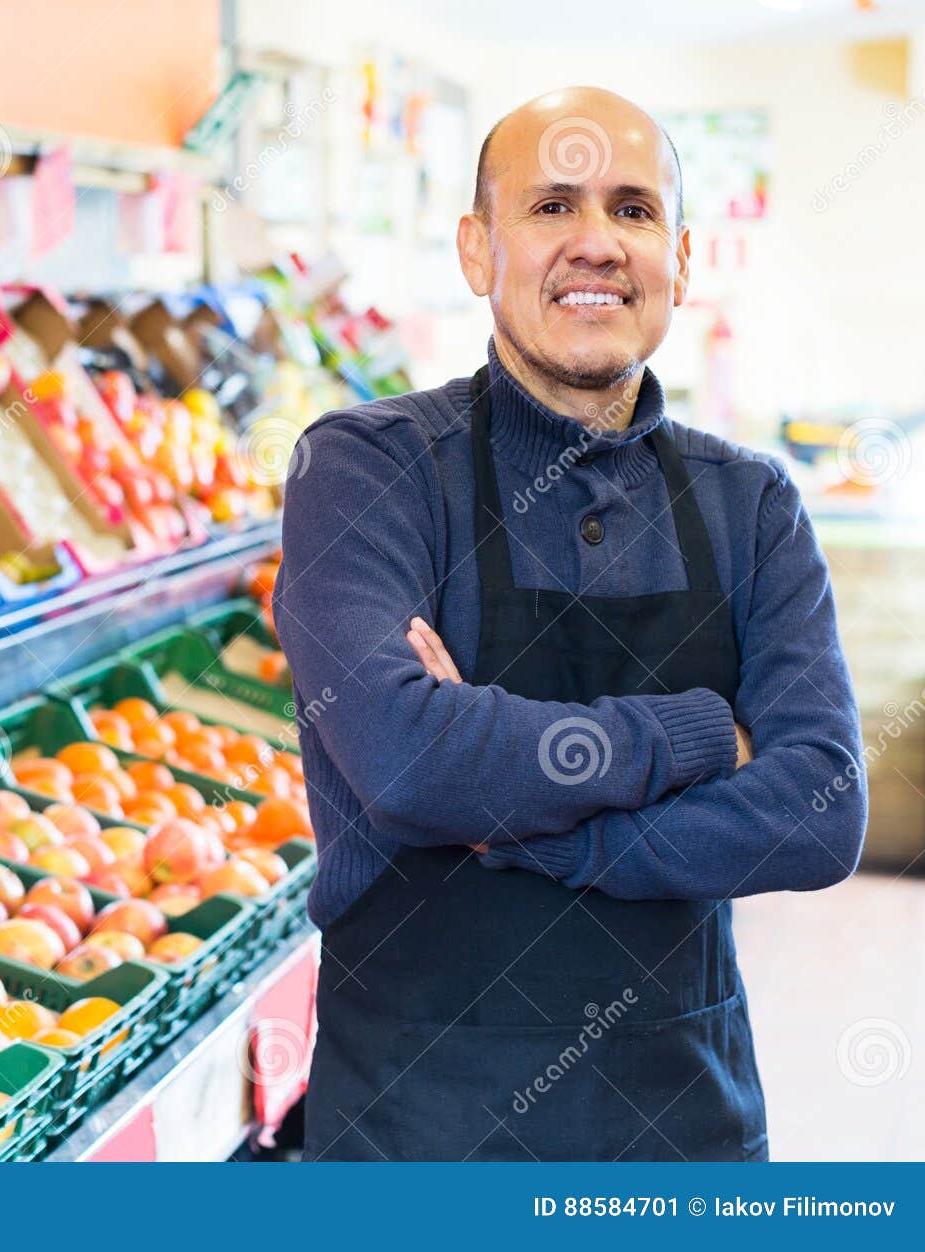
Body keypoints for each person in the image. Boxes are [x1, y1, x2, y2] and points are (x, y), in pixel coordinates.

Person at [273, 86, 866, 1162]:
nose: (596, 242)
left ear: (680, 260)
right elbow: (407, 765)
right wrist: (698, 736)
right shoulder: (368, 467)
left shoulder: (751, 504)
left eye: (633, 210)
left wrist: (524, 826)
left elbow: (819, 812)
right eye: (551, 206)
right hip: (418, 1135)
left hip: (682, 1133)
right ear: (475, 249)